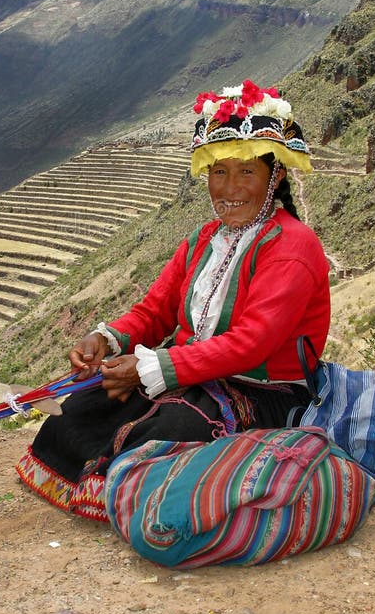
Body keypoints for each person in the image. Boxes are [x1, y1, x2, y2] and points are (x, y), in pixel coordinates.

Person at [16, 79, 331, 520]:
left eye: (247, 172)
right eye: (219, 172)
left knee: (164, 432)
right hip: (187, 374)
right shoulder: (203, 240)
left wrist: (156, 368)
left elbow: (251, 344)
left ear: (274, 175)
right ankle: (107, 485)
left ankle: (135, 498)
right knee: (76, 414)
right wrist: (107, 340)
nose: (230, 187)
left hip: (261, 391)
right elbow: (155, 311)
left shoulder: (293, 248)